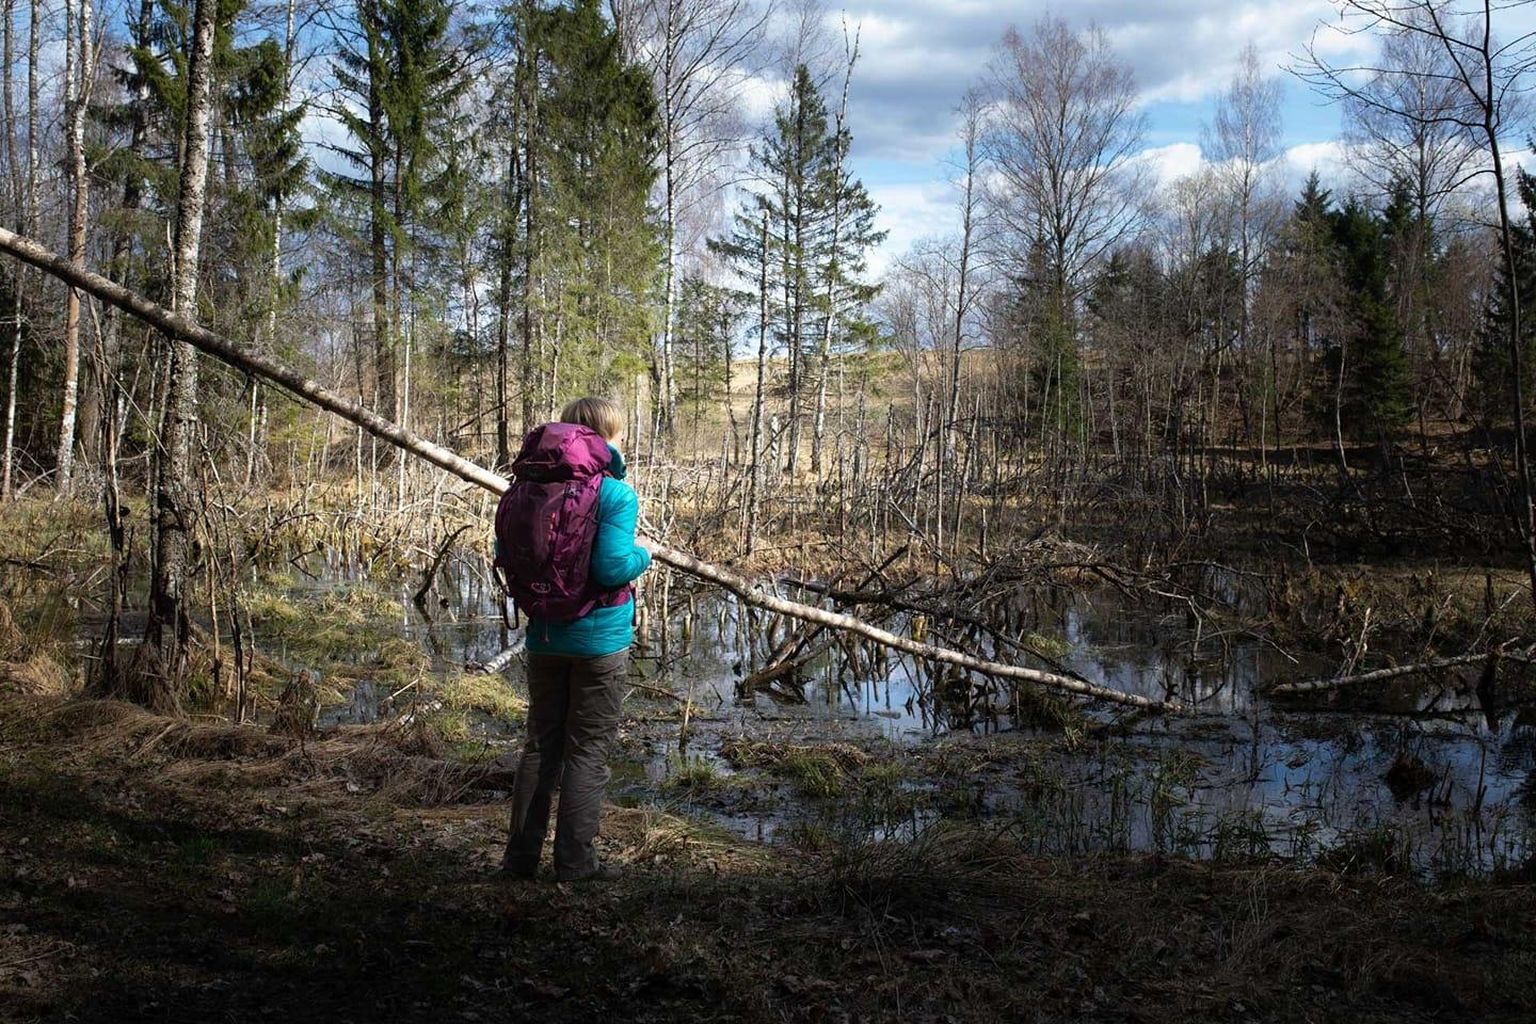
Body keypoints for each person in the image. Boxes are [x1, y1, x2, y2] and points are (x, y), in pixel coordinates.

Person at [498, 396, 652, 882]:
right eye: (621, 435)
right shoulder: (615, 494)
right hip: (600, 641)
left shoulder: (524, 489)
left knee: (540, 746)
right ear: (608, 438)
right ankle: (575, 865)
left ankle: (519, 861)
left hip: (544, 635)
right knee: (587, 750)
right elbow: (611, 568)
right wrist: (645, 555)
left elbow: (507, 553)